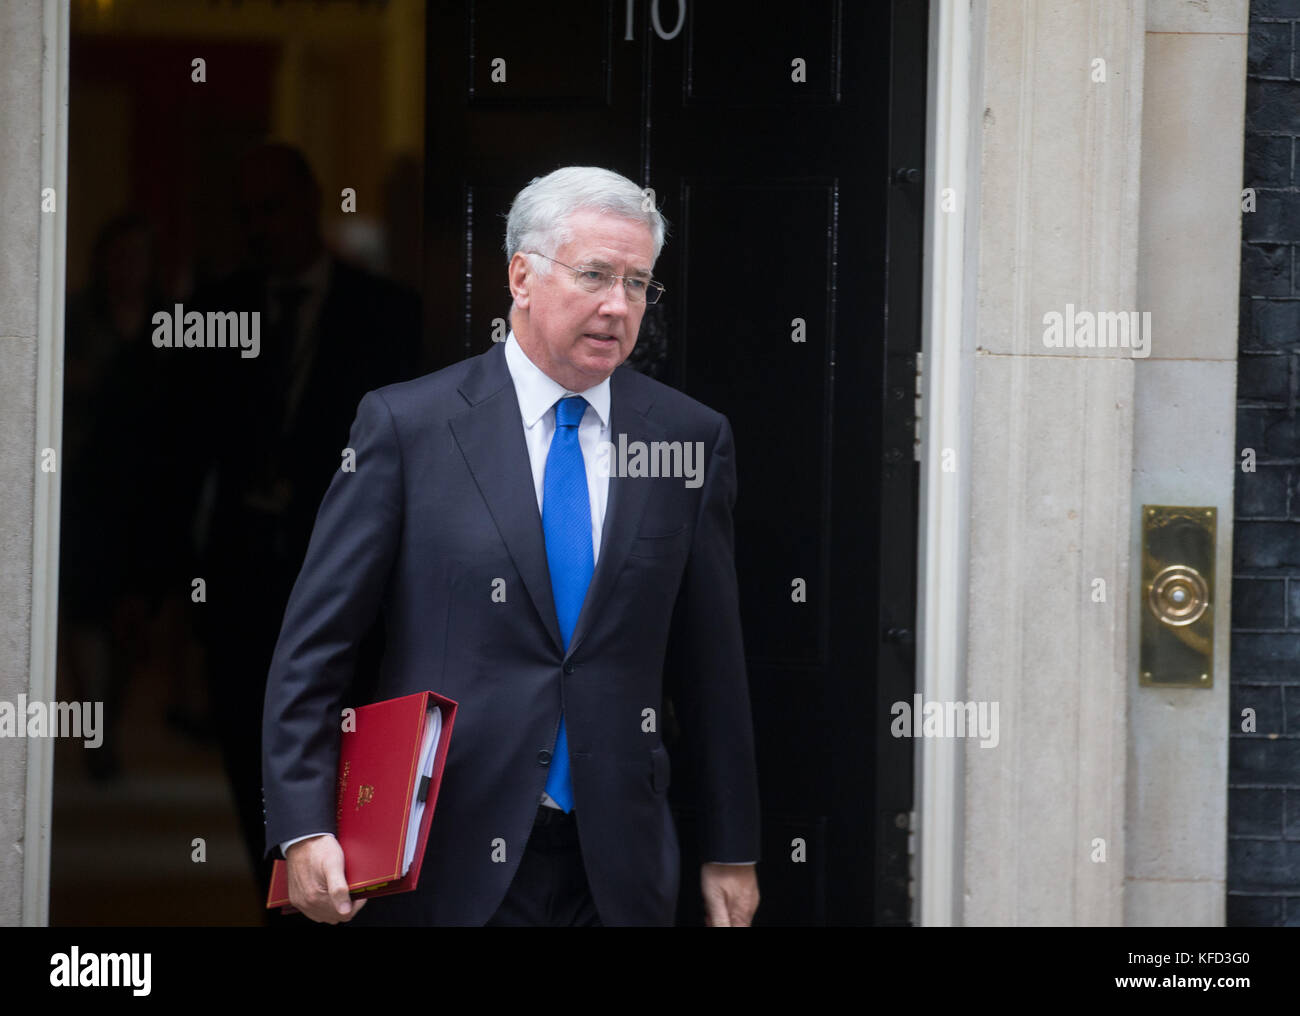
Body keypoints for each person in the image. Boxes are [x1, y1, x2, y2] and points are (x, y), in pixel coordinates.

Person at [261, 166, 760, 927]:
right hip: (446, 854)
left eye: (638, 283)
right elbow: (316, 646)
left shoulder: (688, 438)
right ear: (521, 276)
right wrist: (304, 824)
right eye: (595, 274)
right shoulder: (408, 428)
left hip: (618, 864)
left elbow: (711, 663)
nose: (617, 305)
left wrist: (731, 846)